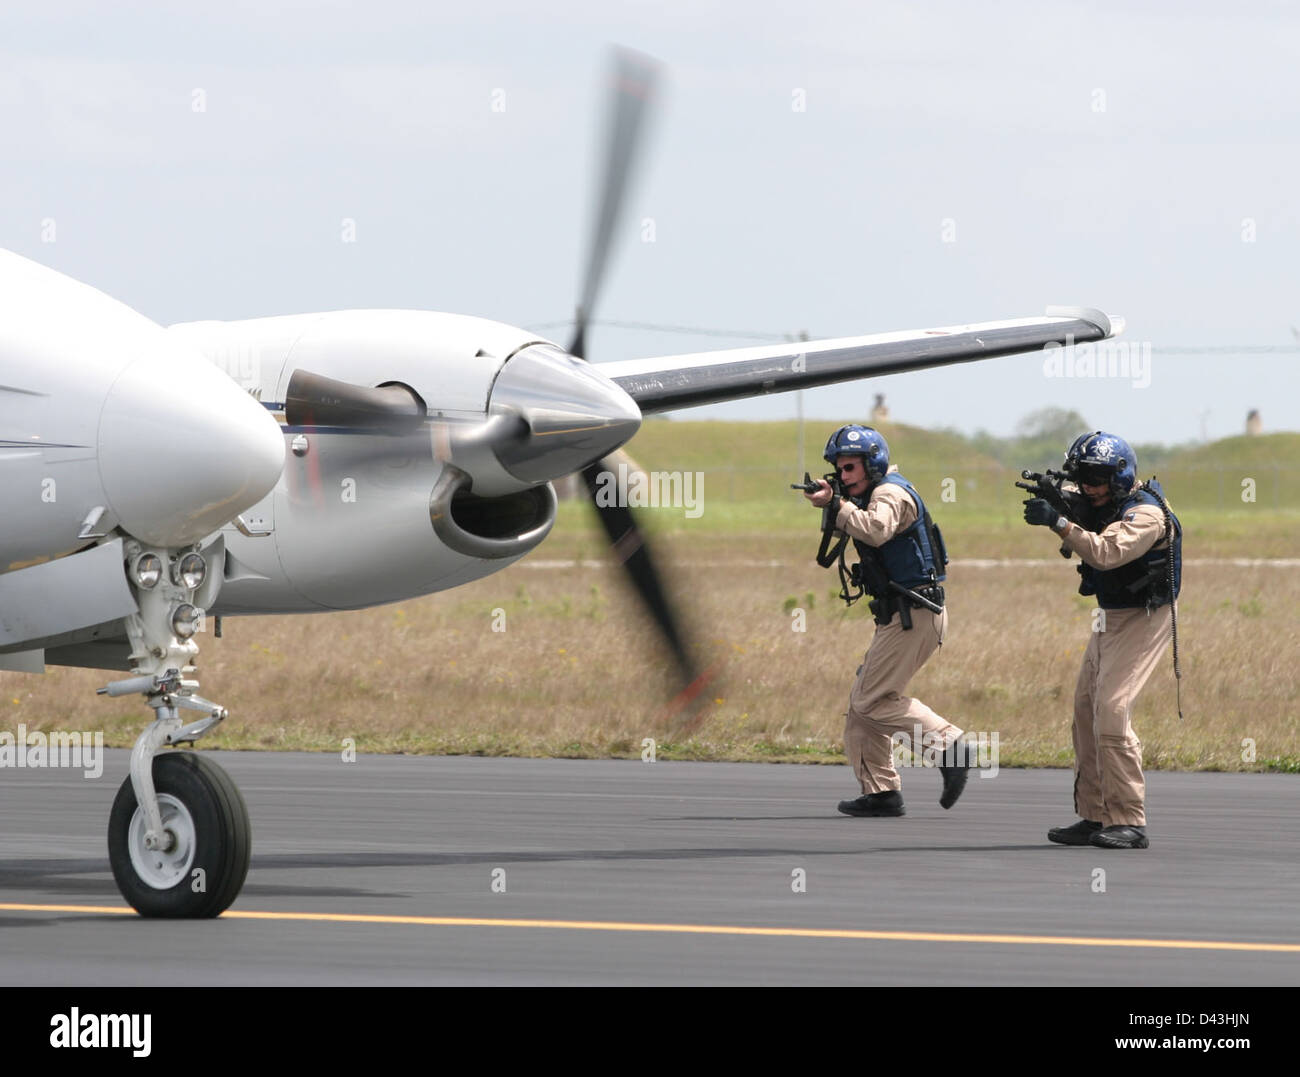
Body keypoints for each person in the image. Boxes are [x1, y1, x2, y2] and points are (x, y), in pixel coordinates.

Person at [1022, 431, 1181, 850]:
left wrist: (1058, 522)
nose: (1087, 487)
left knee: (1111, 712)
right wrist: (1058, 499)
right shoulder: (1103, 500)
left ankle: (1129, 820)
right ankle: (1094, 814)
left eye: (1095, 478)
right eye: (1081, 477)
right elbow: (1080, 505)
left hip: (1143, 619)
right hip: (1110, 615)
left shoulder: (1146, 515)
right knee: (1085, 710)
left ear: (1119, 476)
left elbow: (1106, 553)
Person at [805, 425, 973, 817]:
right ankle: (880, 793)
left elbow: (876, 530)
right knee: (861, 703)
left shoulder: (890, 494)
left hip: (914, 614)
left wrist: (838, 505)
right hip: (900, 614)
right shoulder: (870, 494)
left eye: (849, 468)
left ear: (873, 464)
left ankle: (950, 747)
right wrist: (836, 501)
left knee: (871, 701)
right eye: (839, 469)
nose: (843, 476)